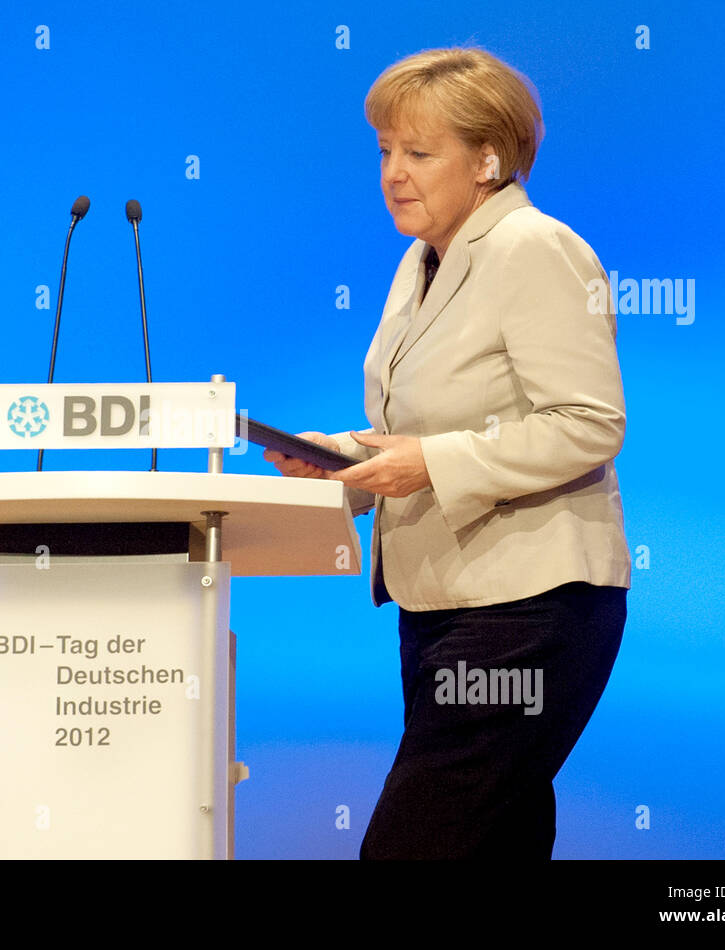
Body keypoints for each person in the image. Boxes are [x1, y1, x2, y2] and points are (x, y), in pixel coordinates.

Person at [264, 46, 631, 859]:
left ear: (489, 160)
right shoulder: (423, 260)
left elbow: (588, 422)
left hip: (529, 608)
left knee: (421, 842)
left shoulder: (534, 248)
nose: (394, 173)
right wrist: (336, 459)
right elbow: (425, 425)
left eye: (420, 153)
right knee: (491, 838)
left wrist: (430, 464)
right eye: (385, 151)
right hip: (443, 604)